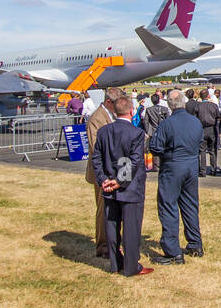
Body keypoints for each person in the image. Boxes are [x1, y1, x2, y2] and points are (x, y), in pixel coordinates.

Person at [93, 96, 152, 277]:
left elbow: (97, 159)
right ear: (132, 111)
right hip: (129, 188)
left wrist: (104, 179)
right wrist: (119, 181)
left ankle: (115, 262)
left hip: (109, 186)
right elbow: (134, 161)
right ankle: (131, 265)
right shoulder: (135, 133)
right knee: (131, 229)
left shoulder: (103, 132)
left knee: (112, 226)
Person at [148, 90, 204, 264]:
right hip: (191, 165)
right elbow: (199, 141)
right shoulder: (195, 122)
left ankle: (173, 252)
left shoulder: (167, 124)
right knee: (190, 205)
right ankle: (195, 243)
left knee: (168, 206)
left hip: (173, 165)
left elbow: (155, 148)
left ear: (170, 104)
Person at [85, 86, 125, 258]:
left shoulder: (113, 116)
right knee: (104, 210)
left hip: (115, 170)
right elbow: (96, 148)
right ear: (109, 102)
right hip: (102, 173)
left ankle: (114, 242)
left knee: (116, 210)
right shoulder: (96, 119)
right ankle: (103, 246)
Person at [193, 88, 221, 175]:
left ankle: (203, 170)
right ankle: (213, 169)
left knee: (202, 151)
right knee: (212, 150)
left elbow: (194, 119)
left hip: (201, 129)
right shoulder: (214, 106)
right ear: (208, 96)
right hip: (212, 128)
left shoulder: (197, 106)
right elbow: (218, 117)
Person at [141, 92, 169, 170]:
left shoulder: (149, 110)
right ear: (159, 100)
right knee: (163, 146)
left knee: (154, 148)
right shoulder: (165, 109)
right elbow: (168, 120)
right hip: (163, 130)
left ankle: (156, 165)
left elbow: (146, 121)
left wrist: (147, 131)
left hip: (153, 131)